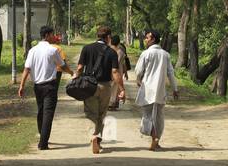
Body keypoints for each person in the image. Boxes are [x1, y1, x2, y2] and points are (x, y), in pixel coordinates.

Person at [17, 25, 72, 151]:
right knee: (48, 114)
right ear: (47, 35)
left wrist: (22, 85)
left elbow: (27, 69)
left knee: (41, 111)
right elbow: (62, 66)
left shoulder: (33, 50)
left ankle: (43, 136)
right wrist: (71, 73)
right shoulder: (53, 51)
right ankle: (43, 143)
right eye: (52, 34)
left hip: (37, 87)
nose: (54, 37)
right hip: (50, 87)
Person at [76, 25, 125, 154]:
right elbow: (115, 72)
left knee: (91, 113)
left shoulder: (86, 48)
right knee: (101, 114)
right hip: (105, 86)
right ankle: (97, 139)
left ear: (97, 36)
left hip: (89, 86)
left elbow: (80, 67)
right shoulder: (111, 52)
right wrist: (121, 89)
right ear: (108, 37)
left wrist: (77, 79)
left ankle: (93, 136)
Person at [134, 29, 178, 151]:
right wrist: (175, 88)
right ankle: (157, 138)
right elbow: (171, 73)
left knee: (148, 115)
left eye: (147, 38)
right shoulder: (166, 55)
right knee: (158, 116)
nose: (146, 40)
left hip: (148, 90)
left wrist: (138, 80)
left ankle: (154, 137)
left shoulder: (146, 54)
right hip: (160, 91)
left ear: (153, 39)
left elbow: (138, 71)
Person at [108, 33, 130, 111]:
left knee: (111, 87)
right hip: (118, 71)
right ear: (118, 43)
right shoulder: (121, 52)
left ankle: (111, 103)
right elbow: (123, 64)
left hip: (110, 71)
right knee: (116, 88)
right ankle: (112, 104)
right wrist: (126, 73)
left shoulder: (108, 50)